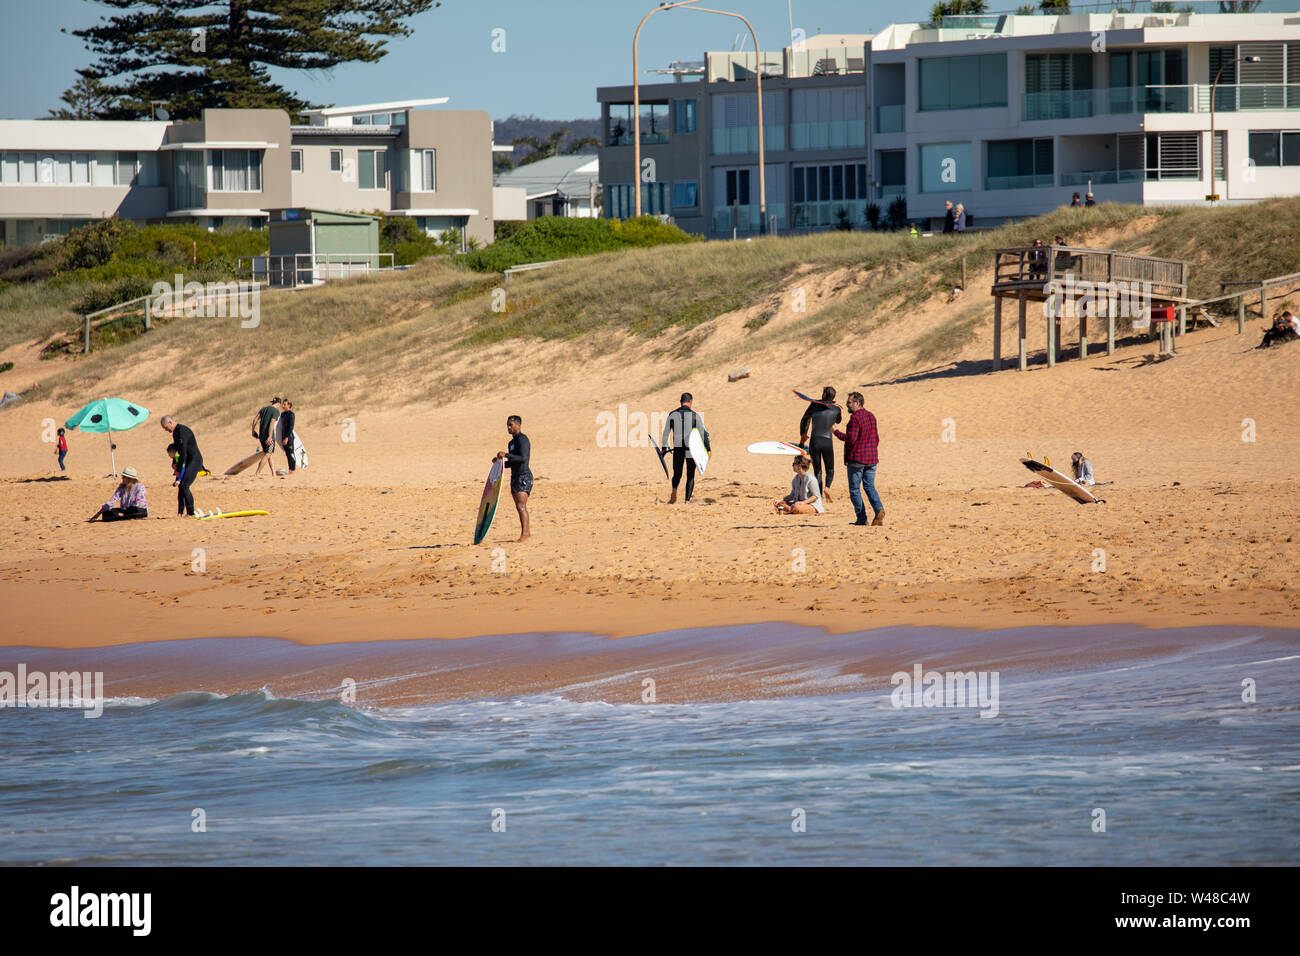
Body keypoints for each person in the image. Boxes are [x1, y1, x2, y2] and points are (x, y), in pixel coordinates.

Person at [833, 391, 884, 527]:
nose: (846, 404)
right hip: (872, 458)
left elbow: (850, 439)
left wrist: (835, 432)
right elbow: (876, 438)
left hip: (857, 459)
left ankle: (861, 519)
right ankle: (879, 509)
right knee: (869, 486)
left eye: (849, 402)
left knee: (855, 489)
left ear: (857, 403)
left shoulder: (855, 418)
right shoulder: (871, 416)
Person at [661, 392, 710, 504]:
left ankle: (674, 490)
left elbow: (666, 433)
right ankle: (687, 501)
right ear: (691, 401)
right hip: (690, 450)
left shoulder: (672, 414)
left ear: (680, 402)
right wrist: (708, 449)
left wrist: (663, 448)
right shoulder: (695, 415)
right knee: (690, 475)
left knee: (677, 473)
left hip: (678, 448)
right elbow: (703, 433)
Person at [798, 386, 841, 504]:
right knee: (830, 469)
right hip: (827, 441)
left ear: (823, 395)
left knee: (818, 471)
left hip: (815, 441)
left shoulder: (814, 406)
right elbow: (838, 421)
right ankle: (827, 487)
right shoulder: (837, 409)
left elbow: (804, 421)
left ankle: (819, 496)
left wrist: (803, 437)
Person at [495, 414, 532, 541]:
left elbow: (523, 458)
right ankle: (526, 532)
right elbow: (512, 462)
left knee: (521, 505)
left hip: (523, 476)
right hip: (515, 476)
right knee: (518, 506)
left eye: (511, 425)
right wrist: (499, 464)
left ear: (518, 425)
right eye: (507, 425)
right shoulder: (511, 443)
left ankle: (526, 534)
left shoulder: (523, 439)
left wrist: (506, 454)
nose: (508, 427)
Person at [160, 415, 204, 517]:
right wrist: (175, 463)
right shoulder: (175, 433)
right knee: (181, 486)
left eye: (166, 427)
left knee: (184, 485)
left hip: (194, 460)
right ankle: (180, 512)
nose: (166, 430)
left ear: (170, 423)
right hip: (187, 461)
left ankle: (190, 513)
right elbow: (179, 451)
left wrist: (179, 468)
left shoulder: (182, 431)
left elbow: (183, 452)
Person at [251, 397, 282, 477]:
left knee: (269, 453)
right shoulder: (276, 411)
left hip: (261, 435)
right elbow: (272, 423)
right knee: (268, 453)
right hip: (269, 436)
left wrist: (253, 431)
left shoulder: (263, 409)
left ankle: (273, 473)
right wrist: (270, 436)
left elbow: (255, 420)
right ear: (278, 404)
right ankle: (257, 473)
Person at [279, 398, 297, 474]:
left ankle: (293, 469)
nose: (283, 406)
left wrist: (286, 437)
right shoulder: (282, 414)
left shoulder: (291, 414)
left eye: (284, 404)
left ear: (289, 405)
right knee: (287, 454)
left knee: (291, 453)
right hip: (283, 436)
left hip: (289, 437)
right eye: (282, 404)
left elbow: (291, 427)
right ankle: (290, 469)